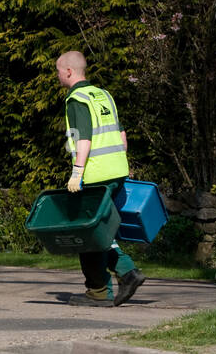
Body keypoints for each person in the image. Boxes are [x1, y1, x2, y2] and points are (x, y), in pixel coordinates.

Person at [56, 51, 147, 307]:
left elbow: (83, 138)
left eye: (59, 71)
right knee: (101, 229)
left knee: (87, 232)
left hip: (95, 174)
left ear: (69, 71)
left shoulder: (76, 98)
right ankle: (125, 274)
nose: (58, 75)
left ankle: (100, 289)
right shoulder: (103, 94)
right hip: (117, 171)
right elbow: (122, 135)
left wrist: (77, 172)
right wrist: (118, 164)